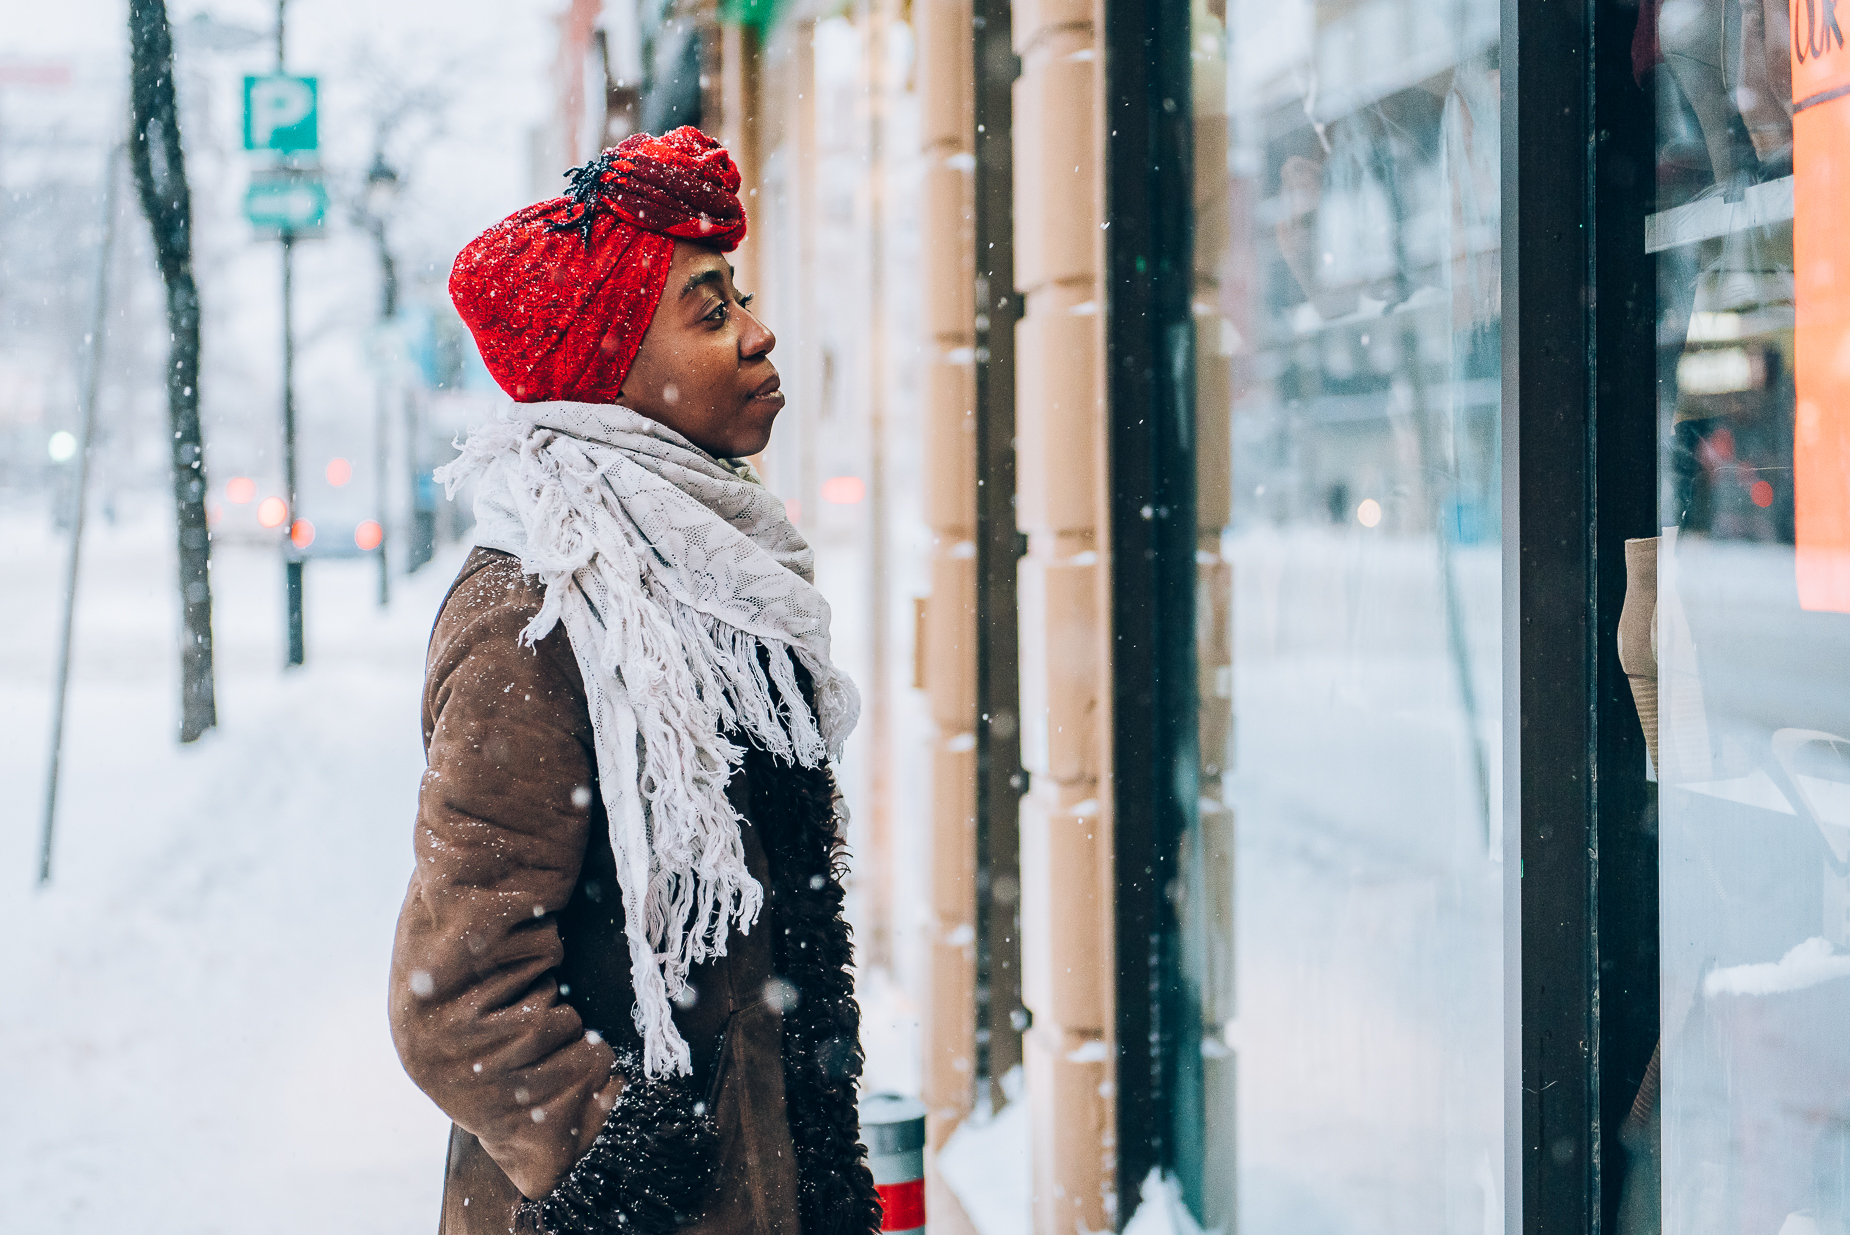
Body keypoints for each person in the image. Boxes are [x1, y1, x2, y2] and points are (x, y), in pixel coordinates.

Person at [389, 126, 883, 1235]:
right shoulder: (536, 613)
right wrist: (639, 1170)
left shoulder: (713, 581)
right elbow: (456, 1001)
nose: (758, 335)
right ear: (608, 377)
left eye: (738, 297)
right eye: (709, 313)